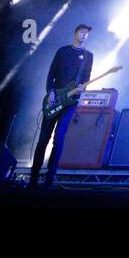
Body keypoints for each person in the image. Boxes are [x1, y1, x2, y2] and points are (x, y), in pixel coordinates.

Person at [29, 24, 94, 188]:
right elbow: (51, 73)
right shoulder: (62, 51)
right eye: (82, 32)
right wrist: (50, 92)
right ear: (75, 33)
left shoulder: (88, 56)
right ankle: (33, 178)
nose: (84, 35)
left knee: (59, 139)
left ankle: (49, 180)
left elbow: (86, 77)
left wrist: (82, 88)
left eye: (87, 33)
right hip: (54, 99)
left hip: (71, 102)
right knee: (43, 139)